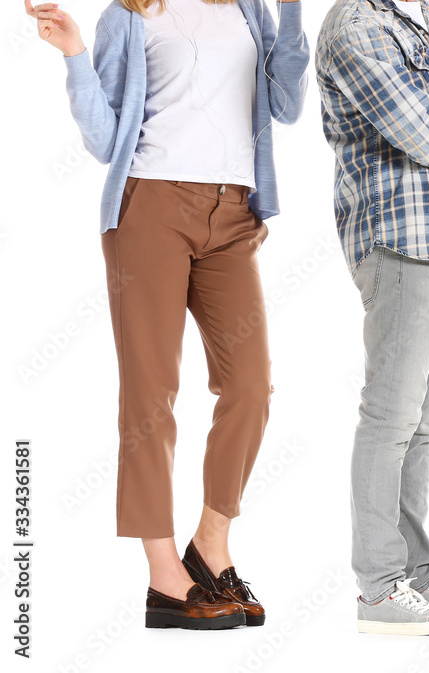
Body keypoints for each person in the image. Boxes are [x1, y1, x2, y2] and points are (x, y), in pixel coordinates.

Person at [26, 0, 309, 629]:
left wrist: (291, 12)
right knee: (151, 394)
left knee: (250, 386)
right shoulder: (129, 15)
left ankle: (209, 545)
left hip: (233, 214)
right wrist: (74, 53)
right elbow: (106, 139)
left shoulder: (249, 8)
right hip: (150, 207)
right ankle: (163, 574)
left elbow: (287, 104)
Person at [315, 0, 429, 636]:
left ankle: (415, 575)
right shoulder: (356, 26)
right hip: (397, 239)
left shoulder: (424, 14)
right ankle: (378, 589)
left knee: (423, 424)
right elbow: (428, 139)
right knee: (390, 419)